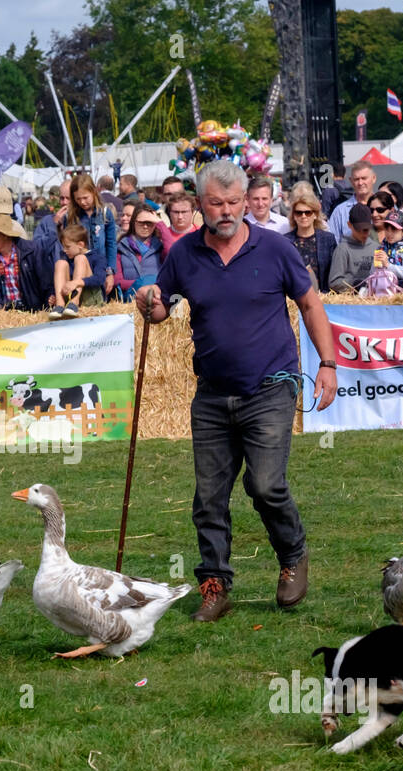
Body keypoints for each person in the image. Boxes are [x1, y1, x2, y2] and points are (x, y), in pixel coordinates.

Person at [134, 159, 337, 619]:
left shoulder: (275, 249)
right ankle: (214, 585)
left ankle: (292, 555)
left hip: (270, 387)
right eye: (215, 203)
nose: (225, 211)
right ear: (198, 204)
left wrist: (327, 364)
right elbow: (163, 308)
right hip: (211, 393)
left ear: (246, 202)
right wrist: (150, 302)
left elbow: (309, 303)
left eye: (233, 203)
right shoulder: (183, 254)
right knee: (209, 496)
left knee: (265, 486)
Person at [0, 212, 55, 311]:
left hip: (35, 312)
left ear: (4, 235)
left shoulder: (33, 251)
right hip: (4, 315)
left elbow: (47, 283)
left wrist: (46, 307)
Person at [283, 182, 336, 292]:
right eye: (299, 213)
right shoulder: (285, 241)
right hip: (294, 298)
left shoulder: (328, 239)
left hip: (323, 296)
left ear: (315, 214)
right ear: (294, 215)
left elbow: (333, 271)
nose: (303, 216)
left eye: (308, 212)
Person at [48, 224, 103, 319]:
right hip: (68, 300)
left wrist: (76, 282)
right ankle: (60, 304)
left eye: (68, 247)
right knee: (60, 263)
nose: (64, 250)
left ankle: (75, 302)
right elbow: (62, 281)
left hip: (90, 299)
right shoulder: (67, 258)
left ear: (80, 245)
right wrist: (54, 294)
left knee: (80, 258)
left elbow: (100, 279)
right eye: (63, 247)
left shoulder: (97, 257)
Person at [116, 207, 165, 299]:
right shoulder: (121, 246)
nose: (145, 226)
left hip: (156, 298)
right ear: (133, 222)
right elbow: (117, 280)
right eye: (141, 222)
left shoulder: (161, 246)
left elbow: (172, 252)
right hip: (130, 299)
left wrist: (161, 224)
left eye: (149, 223)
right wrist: (141, 284)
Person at [328, 203, 377, 294]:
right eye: (359, 229)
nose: (363, 233)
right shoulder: (343, 249)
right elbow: (334, 281)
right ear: (349, 225)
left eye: (366, 229)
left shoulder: (376, 248)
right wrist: (355, 284)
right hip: (351, 302)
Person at [328, 161, 377, 243]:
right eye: (357, 179)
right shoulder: (340, 212)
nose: (360, 183)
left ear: (374, 178)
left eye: (364, 178)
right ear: (351, 181)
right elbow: (333, 243)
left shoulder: (384, 208)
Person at [376, 209, 403, 288]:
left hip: (399, 286)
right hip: (382, 284)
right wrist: (378, 265)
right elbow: (372, 273)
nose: (389, 233)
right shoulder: (381, 248)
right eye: (387, 229)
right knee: (358, 282)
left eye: (394, 230)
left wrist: (387, 265)